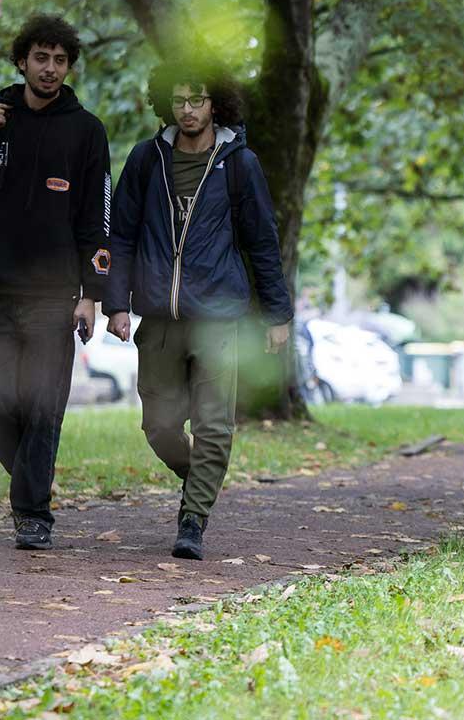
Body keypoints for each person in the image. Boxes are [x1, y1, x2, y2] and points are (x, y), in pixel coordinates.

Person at [105, 61, 291, 561]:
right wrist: (115, 304)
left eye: (198, 99)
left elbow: (262, 241)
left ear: (216, 104)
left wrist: (277, 313)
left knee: (213, 425)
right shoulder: (146, 159)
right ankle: (201, 481)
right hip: (159, 318)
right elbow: (121, 234)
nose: (187, 109)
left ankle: (193, 519)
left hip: (218, 318)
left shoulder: (240, 164)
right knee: (159, 427)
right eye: (179, 99)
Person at [0, 14, 111, 551]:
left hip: (54, 296)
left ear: (68, 66)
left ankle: (33, 514)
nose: (50, 69)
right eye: (41, 58)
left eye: (60, 60)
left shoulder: (87, 131)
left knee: (42, 405)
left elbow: (97, 218)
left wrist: (91, 295)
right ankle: (32, 483)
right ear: (22, 61)